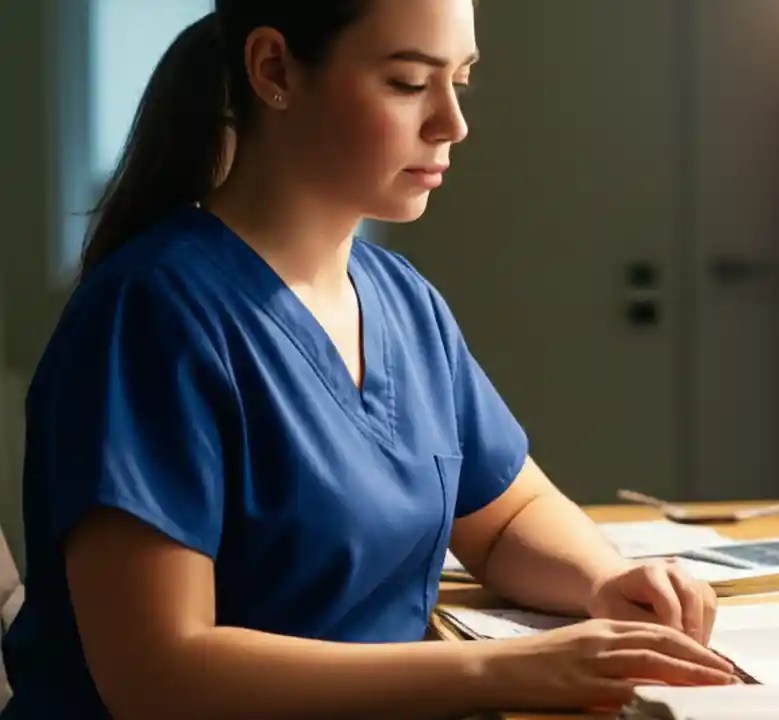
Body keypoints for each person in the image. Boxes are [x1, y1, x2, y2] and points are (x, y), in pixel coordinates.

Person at [0, 2, 738, 717]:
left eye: (462, 80)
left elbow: (509, 514)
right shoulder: (153, 316)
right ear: (273, 68)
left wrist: (606, 581)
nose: (453, 122)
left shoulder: (402, 302)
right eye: (410, 83)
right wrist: (500, 670)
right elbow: (158, 675)